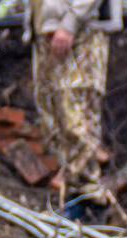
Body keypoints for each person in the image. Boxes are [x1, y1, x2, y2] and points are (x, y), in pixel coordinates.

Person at [30, 0, 117, 206]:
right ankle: (71, 194)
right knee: (53, 117)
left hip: (81, 31)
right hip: (47, 31)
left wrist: (70, 23)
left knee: (76, 116)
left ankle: (88, 200)